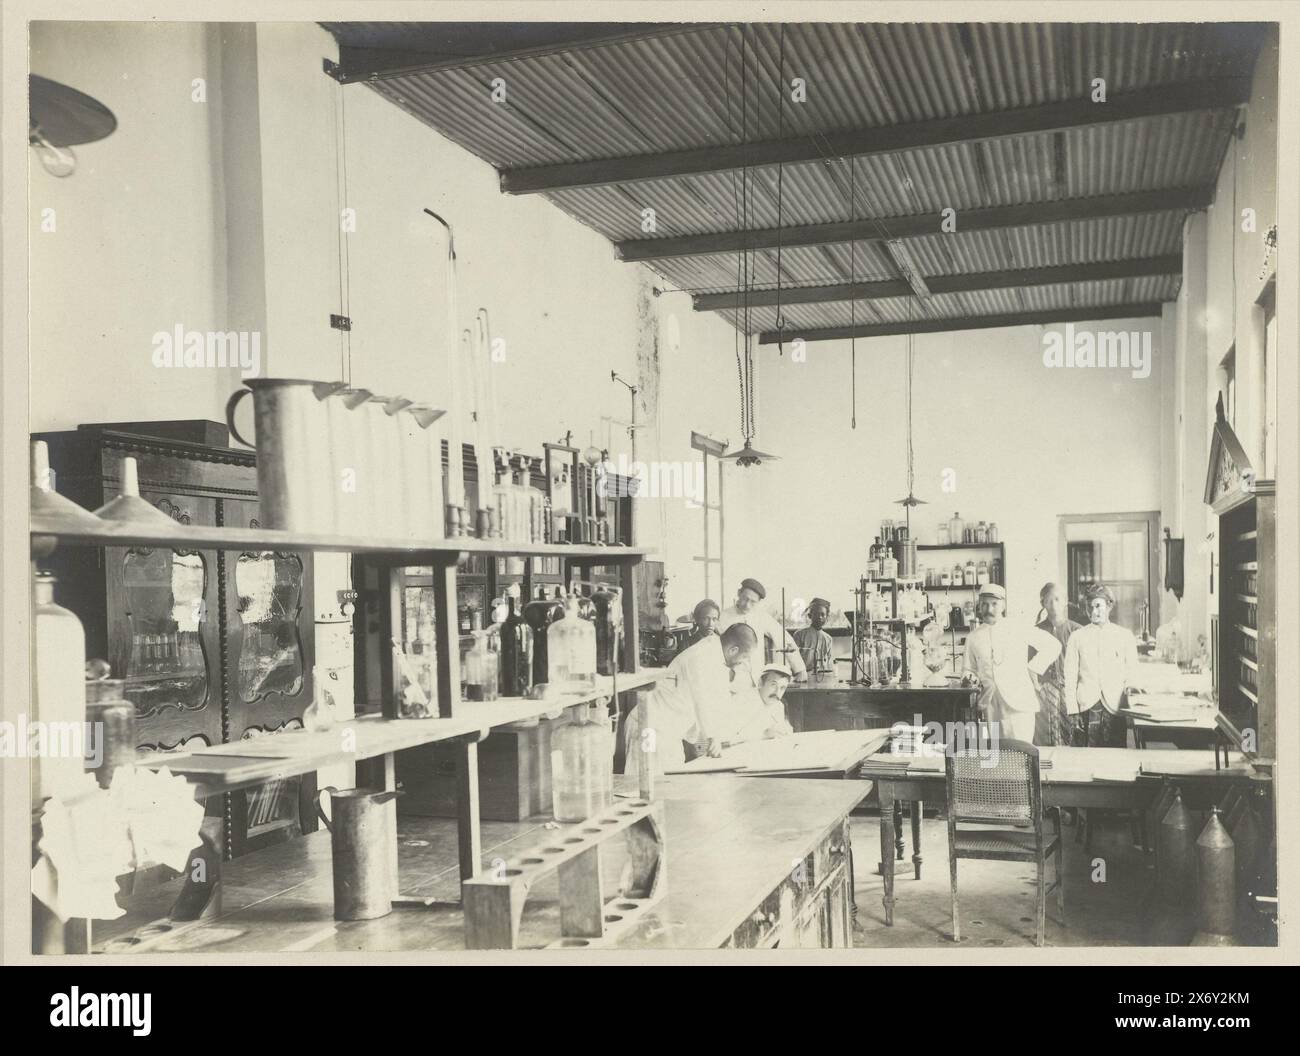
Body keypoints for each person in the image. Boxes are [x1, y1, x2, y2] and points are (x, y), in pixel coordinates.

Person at [624, 622, 758, 770]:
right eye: (745, 657)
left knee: (668, 784)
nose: (743, 662)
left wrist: (720, 736)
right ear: (733, 650)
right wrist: (712, 737)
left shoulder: (714, 654)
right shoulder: (702, 656)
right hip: (649, 728)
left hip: (667, 731)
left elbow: (718, 702)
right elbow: (701, 700)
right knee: (642, 786)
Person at [962, 583, 1062, 743]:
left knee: (1021, 755)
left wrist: (1033, 668)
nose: (989, 608)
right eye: (985, 604)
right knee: (997, 757)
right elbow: (968, 669)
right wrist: (969, 678)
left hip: (1019, 704)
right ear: (979, 606)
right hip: (990, 706)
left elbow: (1053, 645)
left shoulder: (1017, 628)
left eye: (994, 604)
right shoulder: (973, 637)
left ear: (1003, 605)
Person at [1063, 583, 1140, 748]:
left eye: (1098, 606)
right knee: (1087, 754)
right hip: (1086, 705)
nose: (1093, 611)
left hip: (1114, 705)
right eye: (1089, 607)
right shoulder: (1077, 637)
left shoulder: (1124, 636)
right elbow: (1069, 677)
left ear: (1109, 606)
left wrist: (1130, 686)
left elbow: (1132, 670)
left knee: (1115, 753)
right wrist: (1073, 710)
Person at [718, 577, 808, 682]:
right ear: (739, 593)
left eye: (753, 602)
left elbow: (783, 639)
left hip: (755, 676)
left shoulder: (761, 617)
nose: (747, 605)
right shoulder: (723, 617)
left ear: (759, 602)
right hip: (729, 676)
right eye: (745, 598)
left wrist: (800, 669)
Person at [1035, 582, 1083, 746]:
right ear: (1043, 604)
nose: (1054, 605)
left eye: (1057, 599)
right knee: (1048, 733)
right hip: (1045, 690)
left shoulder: (1076, 631)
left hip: (1070, 689)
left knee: (1071, 732)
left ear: (1065, 601)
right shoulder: (1036, 631)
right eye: (1049, 601)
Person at [718, 664, 796, 745]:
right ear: (760, 683)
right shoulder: (741, 701)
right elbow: (724, 739)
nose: (777, 692)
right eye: (773, 685)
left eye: (782, 688)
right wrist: (763, 734)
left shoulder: (778, 705)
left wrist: (785, 730)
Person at [792, 597, 835, 682]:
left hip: (822, 679)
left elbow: (829, 663)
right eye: (816, 614)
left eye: (823, 614)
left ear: (827, 617)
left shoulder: (828, 639)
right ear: (810, 616)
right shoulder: (799, 635)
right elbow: (793, 660)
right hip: (802, 678)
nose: (819, 617)